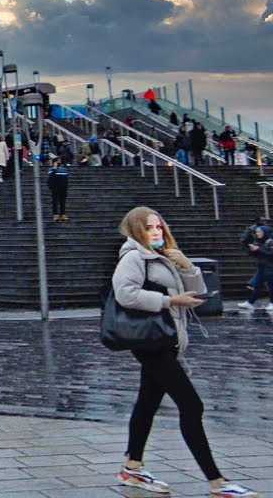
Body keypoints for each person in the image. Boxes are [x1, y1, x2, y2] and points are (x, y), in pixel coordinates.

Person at [111, 207, 260, 497]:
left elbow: (197, 291)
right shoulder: (133, 257)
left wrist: (187, 266)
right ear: (136, 230)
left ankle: (132, 467)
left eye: (158, 227)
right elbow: (125, 294)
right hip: (150, 341)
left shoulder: (162, 255)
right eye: (149, 228)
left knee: (147, 402)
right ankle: (217, 482)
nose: (156, 232)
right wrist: (170, 301)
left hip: (165, 340)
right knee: (192, 406)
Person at [236, 225, 273, 312]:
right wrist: (252, 250)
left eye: (259, 232)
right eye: (256, 232)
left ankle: (272, 303)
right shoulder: (259, 242)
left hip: (270, 268)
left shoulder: (270, 242)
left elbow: (270, 254)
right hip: (262, 268)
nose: (257, 233)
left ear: (265, 233)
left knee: (271, 286)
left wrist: (258, 249)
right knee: (256, 285)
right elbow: (257, 254)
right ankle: (250, 302)